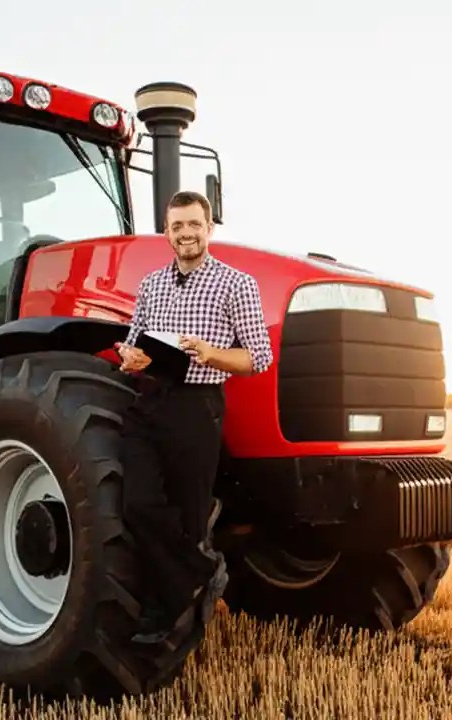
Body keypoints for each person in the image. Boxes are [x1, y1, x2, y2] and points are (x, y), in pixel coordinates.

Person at [114, 190, 274, 643]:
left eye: (194, 224)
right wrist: (130, 357)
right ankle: (201, 569)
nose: (186, 233)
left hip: (197, 408)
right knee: (137, 503)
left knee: (188, 516)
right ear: (166, 232)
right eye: (177, 226)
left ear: (209, 228)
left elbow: (257, 357)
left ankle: (165, 615)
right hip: (149, 400)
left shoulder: (235, 284)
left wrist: (210, 354)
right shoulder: (150, 284)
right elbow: (133, 341)